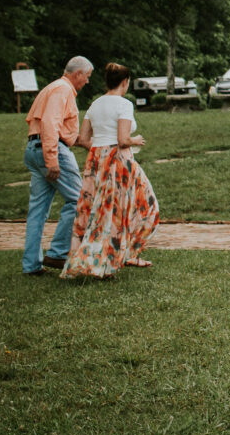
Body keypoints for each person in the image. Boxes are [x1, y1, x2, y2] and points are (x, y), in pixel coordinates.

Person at [62, 63, 159, 278]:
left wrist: (100, 149)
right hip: (118, 161)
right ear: (124, 82)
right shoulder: (123, 104)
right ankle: (110, 259)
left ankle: (119, 254)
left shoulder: (95, 104)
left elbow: (83, 139)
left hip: (96, 160)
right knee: (144, 204)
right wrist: (135, 140)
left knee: (99, 211)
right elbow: (123, 139)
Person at [22, 56, 92, 276]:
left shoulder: (51, 88)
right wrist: (52, 159)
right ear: (78, 73)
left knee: (38, 210)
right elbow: (50, 124)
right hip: (50, 149)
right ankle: (58, 253)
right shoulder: (63, 90)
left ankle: (31, 265)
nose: (87, 82)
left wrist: (91, 146)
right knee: (78, 200)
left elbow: (65, 132)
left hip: (34, 148)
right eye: (87, 77)